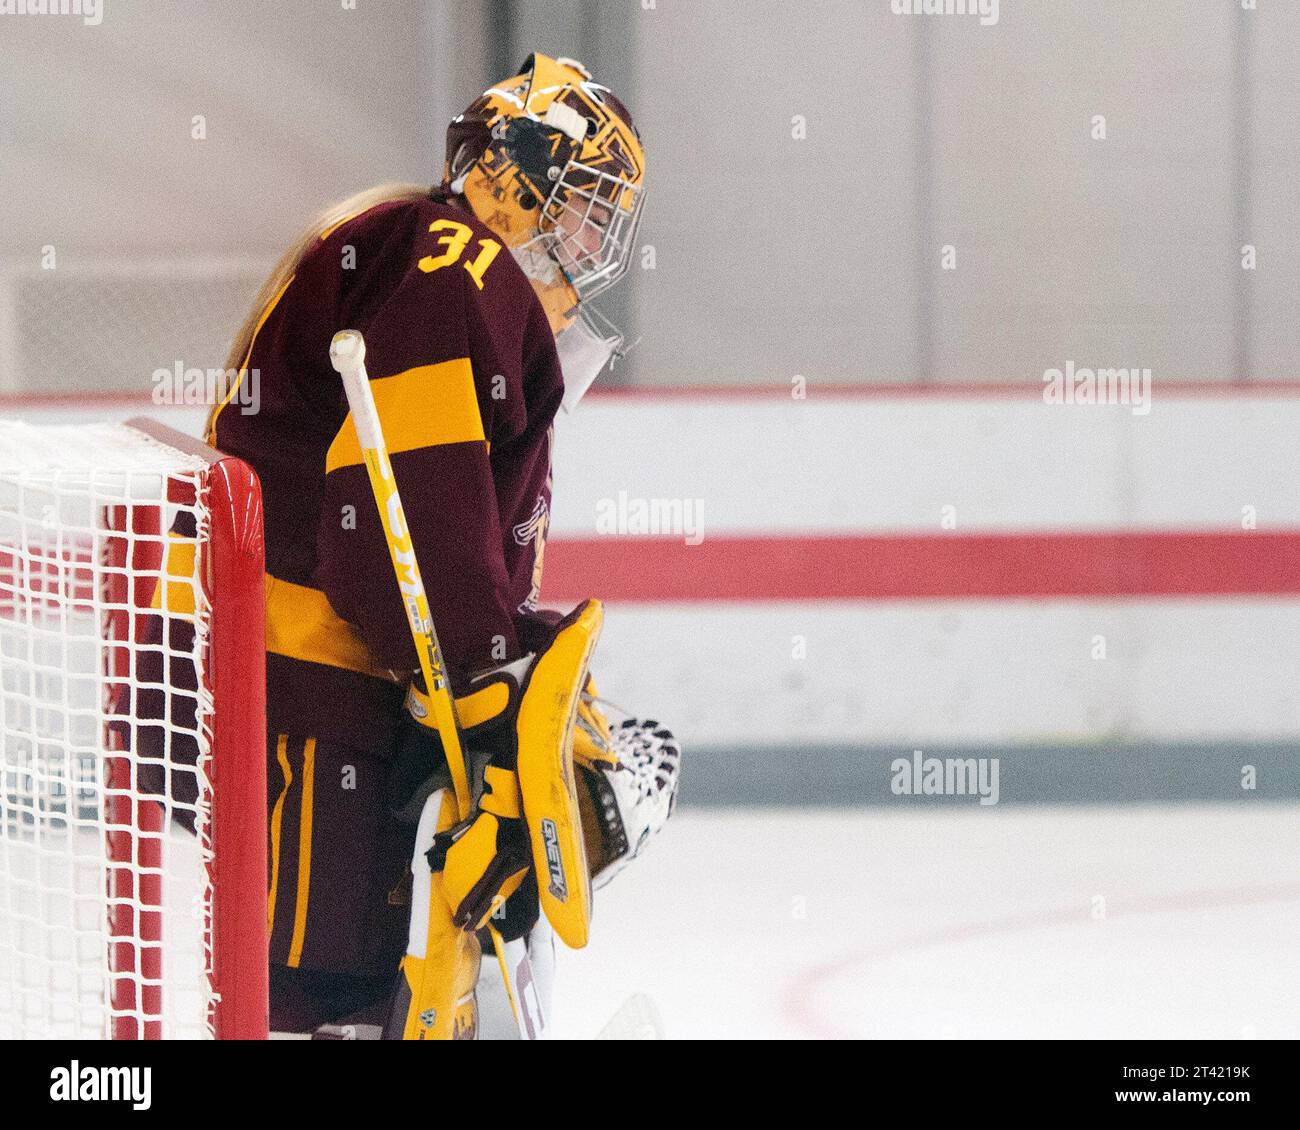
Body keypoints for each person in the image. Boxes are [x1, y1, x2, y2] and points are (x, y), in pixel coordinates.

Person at [205, 54, 679, 1039]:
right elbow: (401, 502)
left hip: (328, 678)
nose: (596, 237)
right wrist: (484, 666)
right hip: (304, 681)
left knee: (363, 981)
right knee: (311, 988)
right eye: (586, 201)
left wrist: (499, 649)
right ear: (520, 172)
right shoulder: (450, 263)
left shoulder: (445, 262)